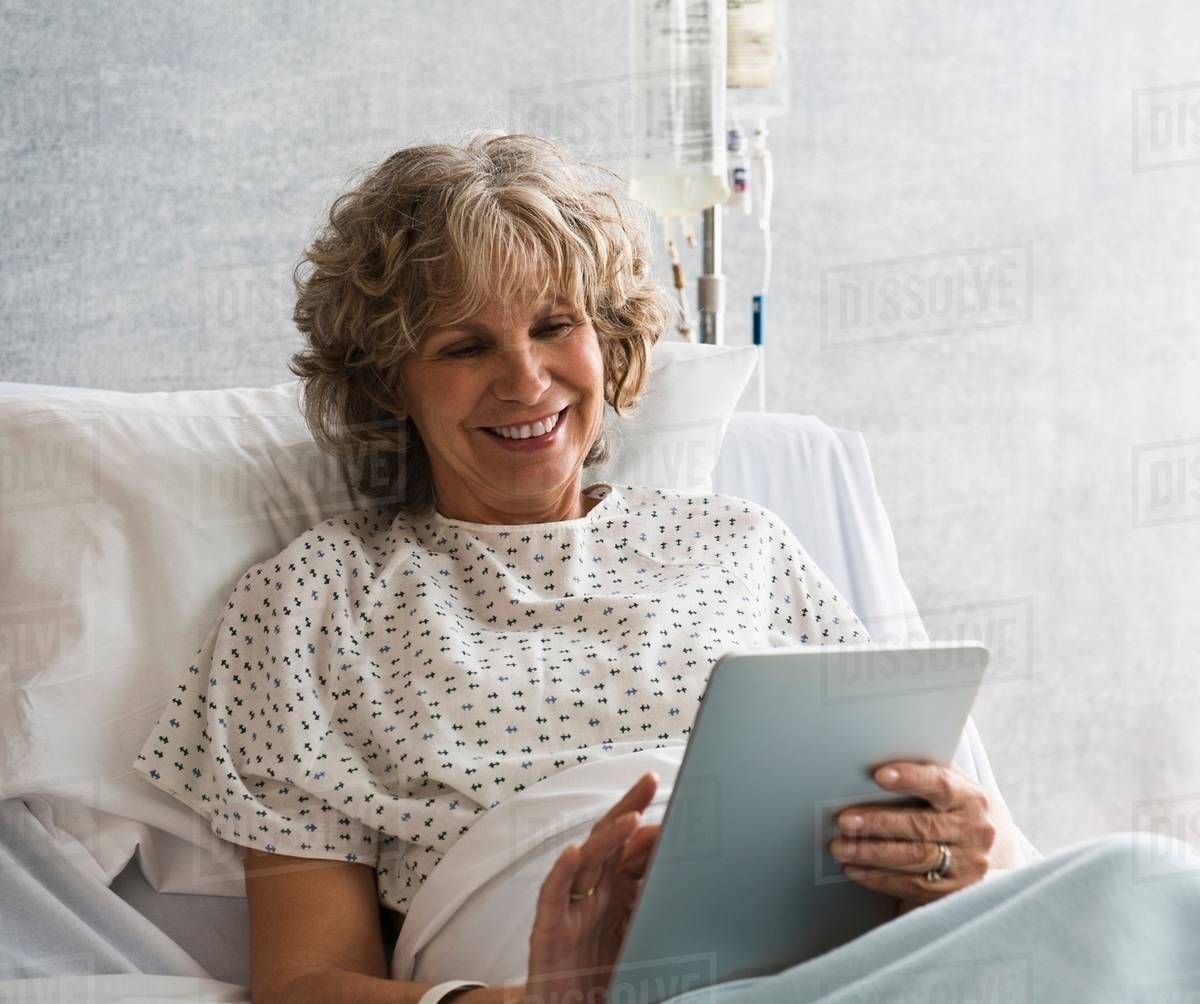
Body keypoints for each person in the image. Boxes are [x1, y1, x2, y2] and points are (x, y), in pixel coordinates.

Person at [132, 130, 1037, 1004]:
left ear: (608, 339)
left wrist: (968, 859)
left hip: (835, 942)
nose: (526, 381)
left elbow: (924, 809)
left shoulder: (742, 543)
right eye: (464, 346)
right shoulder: (313, 600)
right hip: (549, 964)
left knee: (1146, 883)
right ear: (387, 382)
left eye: (555, 325)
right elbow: (303, 986)